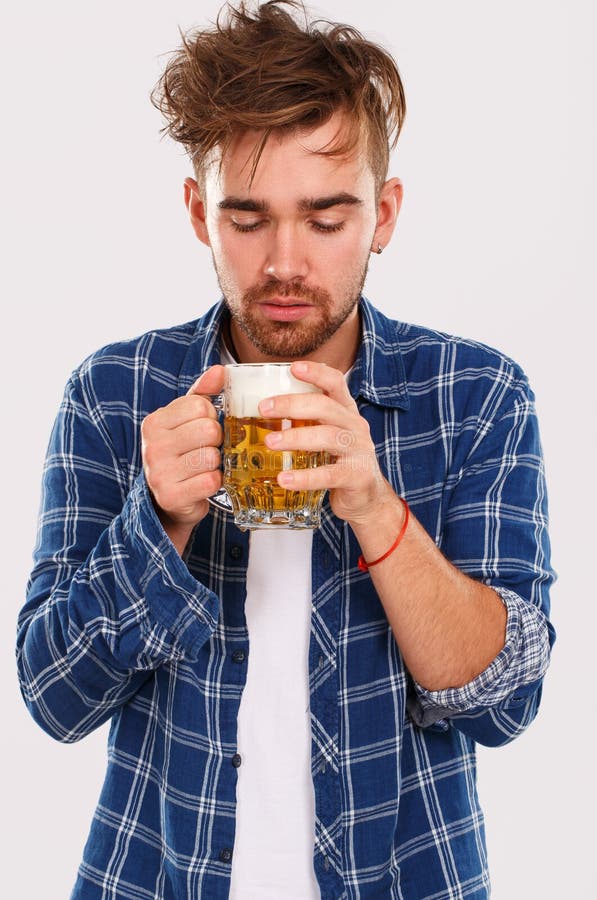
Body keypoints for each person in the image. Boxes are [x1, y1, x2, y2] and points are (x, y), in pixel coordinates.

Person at [16, 1, 555, 897]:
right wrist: (158, 523)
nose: (283, 263)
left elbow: (505, 704)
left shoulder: (475, 395)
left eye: (325, 218)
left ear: (382, 215)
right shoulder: (114, 394)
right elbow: (53, 699)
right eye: (248, 217)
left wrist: (377, 509)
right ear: (199, 213)